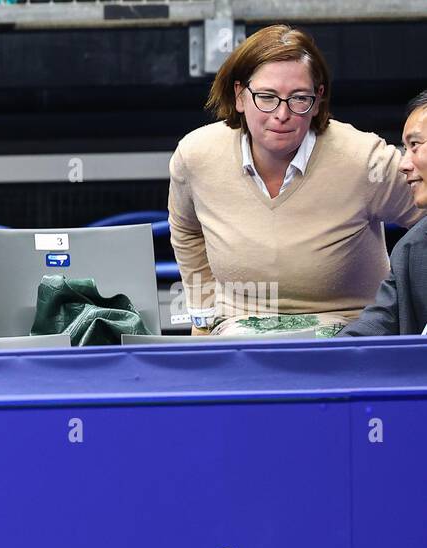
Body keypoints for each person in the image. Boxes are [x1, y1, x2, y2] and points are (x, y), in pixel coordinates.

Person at [167, 25, 422, 336]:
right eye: (267, 97)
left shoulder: (363, 159)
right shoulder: (197, 156)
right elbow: (187, 230)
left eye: (299, 98)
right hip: (237, 329)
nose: (282, 113)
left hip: (350, 332)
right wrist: (203, 317)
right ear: (239, 96)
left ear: (317, 100)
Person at [340, 91, 427, 337]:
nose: (403, 164)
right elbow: (376, 325)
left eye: (415, 146)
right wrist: (313, 366)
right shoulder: (412, 249)